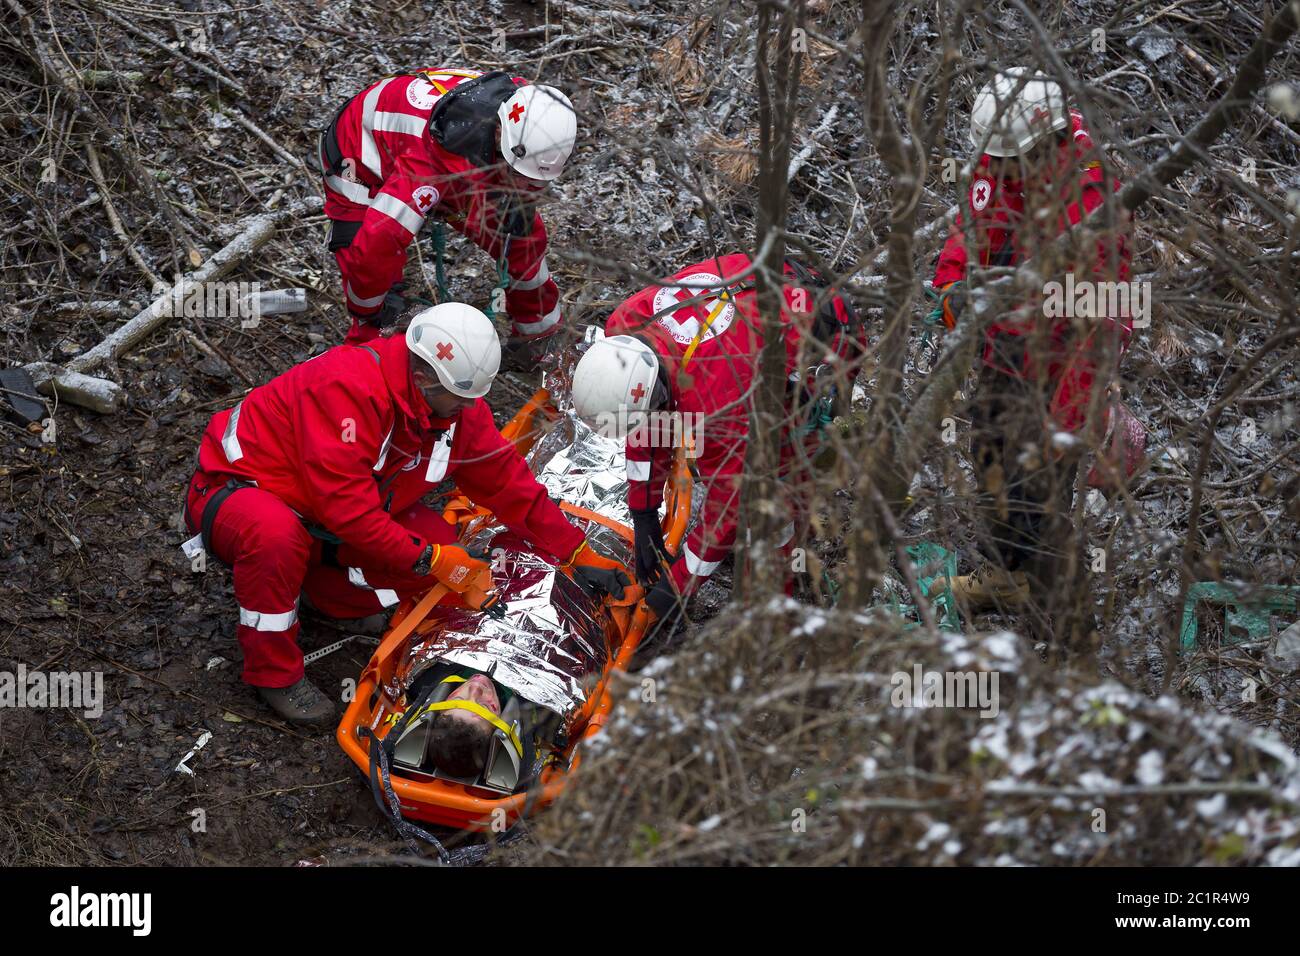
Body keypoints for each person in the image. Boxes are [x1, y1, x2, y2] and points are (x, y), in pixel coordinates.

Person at [182, 303, 628, 727]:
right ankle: (273, 673)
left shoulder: (452, 408)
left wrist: (576, 550)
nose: (469, 410)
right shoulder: (346, 388)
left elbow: (509, 485)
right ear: (421, 378)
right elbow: (348, 510)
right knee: (277, 538)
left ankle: (328, 595)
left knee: (443, 555)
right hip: (243, 493)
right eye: (459, 398)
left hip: (323, 520)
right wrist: (431, 559)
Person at [930, 67, 1137, 634]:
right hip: (1009, 334)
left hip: (1068, 347)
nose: (998, 170)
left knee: (1038, 481)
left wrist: (1071, 415)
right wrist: (953, 288)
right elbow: (972, 227)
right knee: (989, 442)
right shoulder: (1000, 155)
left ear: (1044, 144)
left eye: (1009, 162)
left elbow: (1102, 313)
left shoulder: (1091, 192)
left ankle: (1066, 620)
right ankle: (1005, 572)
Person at [570, 254, 861, 648]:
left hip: (825, 335)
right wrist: (642, 511)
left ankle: (777, 600)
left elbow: (730, 498)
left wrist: (679, 584)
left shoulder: (715, 404)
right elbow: (651, 424)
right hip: (769, 288)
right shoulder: (625, 327)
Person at [317, 67, 575, 366]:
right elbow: (378, 241)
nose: (524, 189)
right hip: (360, 156)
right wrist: (371, 309)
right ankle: (367, 359)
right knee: (372, 272)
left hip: (467, 163)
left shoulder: (532, 116)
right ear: (499, 135)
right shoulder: (430, 163)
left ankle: (538, 339)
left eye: (534, 184)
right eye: (518, 177)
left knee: (522, 240)